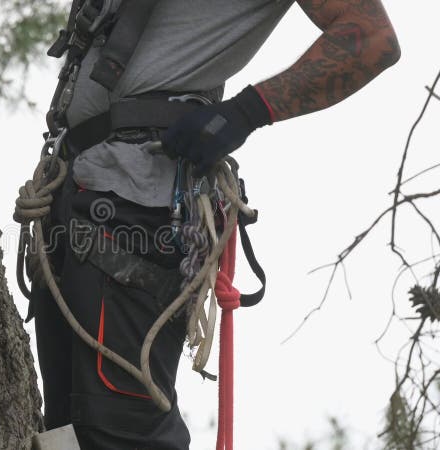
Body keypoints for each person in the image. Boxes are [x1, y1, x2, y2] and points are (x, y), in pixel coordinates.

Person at [28, 1, 400, 448]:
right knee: (64, 434)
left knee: (120, 432)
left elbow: (372, 38)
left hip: (138, 203)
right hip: (77, 191)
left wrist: (246, 112)